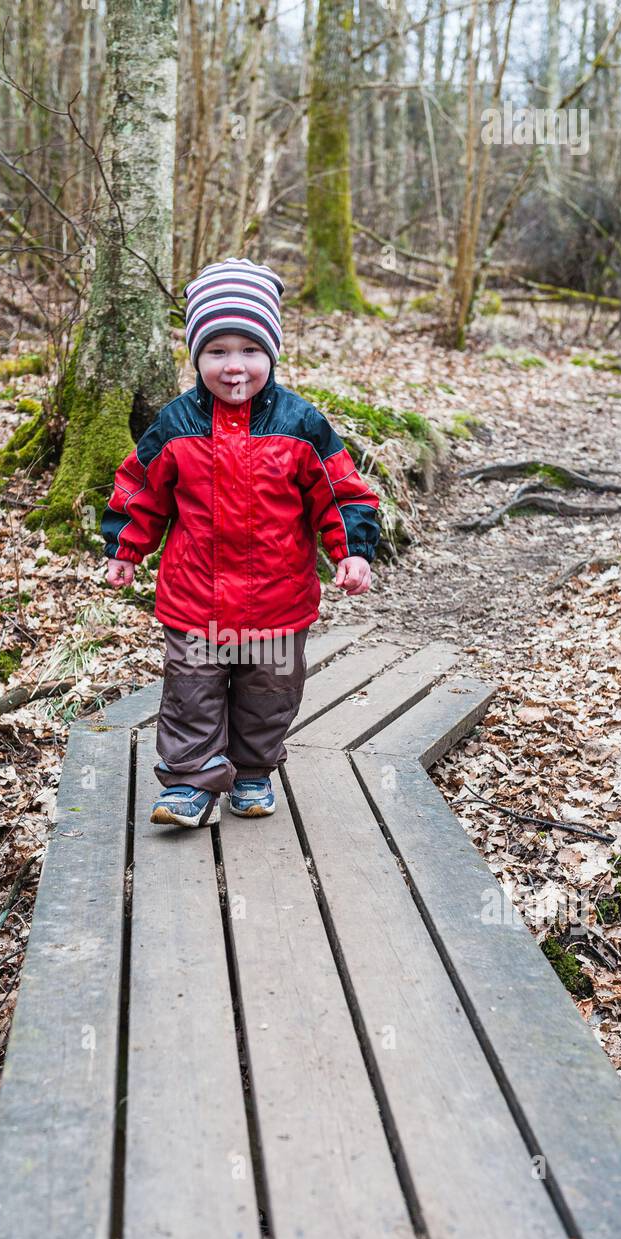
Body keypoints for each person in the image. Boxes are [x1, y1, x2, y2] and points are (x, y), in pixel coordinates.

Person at [101, 256, 381, 829]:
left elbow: (342, 493)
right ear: (196, 356)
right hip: (194, 601)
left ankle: (252, 770)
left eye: (249, 350)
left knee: (268, 696)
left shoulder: (301, 424)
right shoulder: (177, 424)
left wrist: (351, 550)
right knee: (192, 694)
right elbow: (142, 486)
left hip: (279, 603)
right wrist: (126, 546)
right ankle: (189, 781)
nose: (234, 367)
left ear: (271, 355)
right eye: (217, 351)